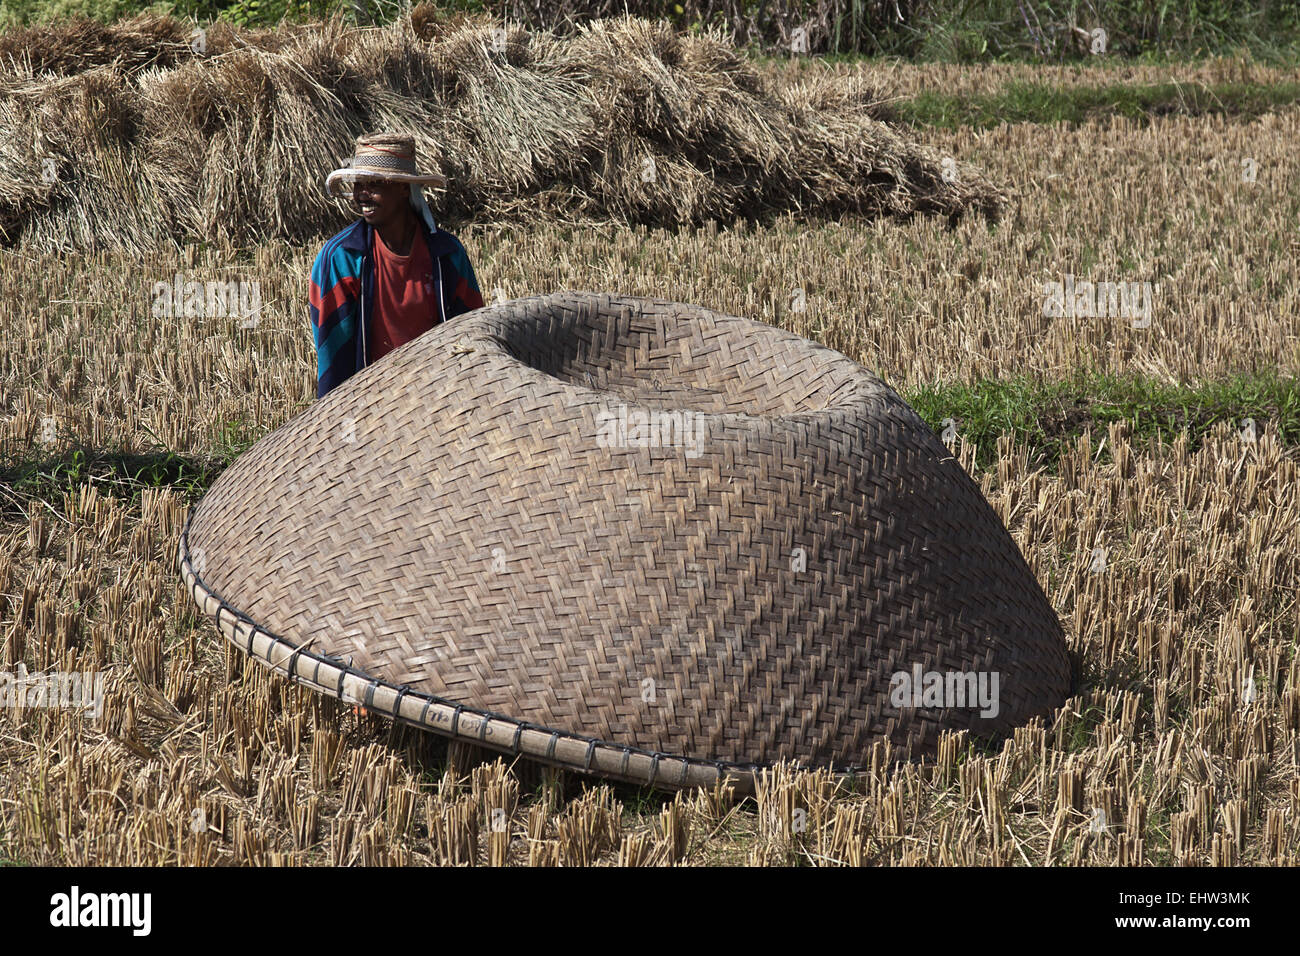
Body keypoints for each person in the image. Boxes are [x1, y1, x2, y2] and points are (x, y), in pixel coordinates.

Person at [309, 132, 485, 398]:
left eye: (374, 184)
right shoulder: (341, 259)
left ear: (404, 188)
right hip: (369, 402)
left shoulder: (447, 255)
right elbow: (333, 358)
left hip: (436, 398)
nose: (362, 195)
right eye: (358, 183)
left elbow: (471, 335)